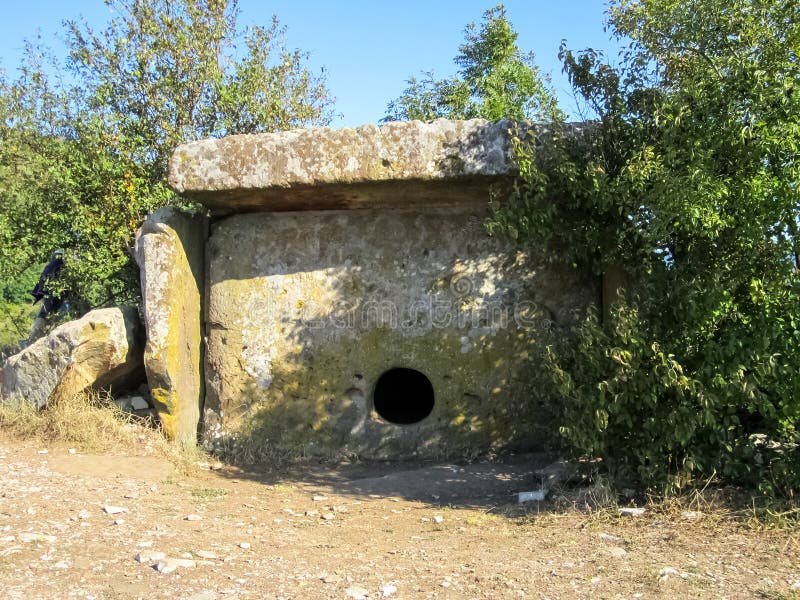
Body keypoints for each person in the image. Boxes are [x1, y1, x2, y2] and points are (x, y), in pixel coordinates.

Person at [27, 249, 67, 343]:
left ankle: (33, 339)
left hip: (52, 294)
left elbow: (41, 281)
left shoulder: (50, 266)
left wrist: (39, 294)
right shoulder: (66, 266)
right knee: (59, 313)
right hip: (62, 295)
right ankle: (37, 338)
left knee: (44, 314)